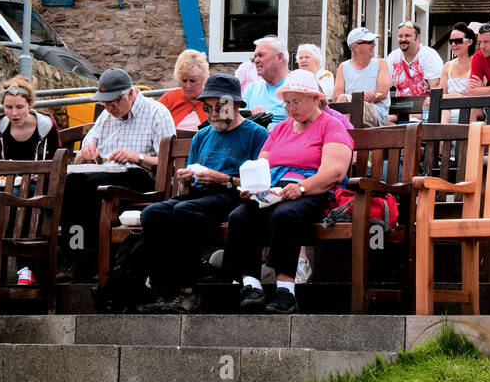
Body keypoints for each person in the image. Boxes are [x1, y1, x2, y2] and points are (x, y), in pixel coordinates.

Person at [223, 69, 354, 314]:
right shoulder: (281, 129)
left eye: (297, 102)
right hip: (276, 191)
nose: (291, 108)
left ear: (316, 99)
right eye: (287, 103)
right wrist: (251, 189)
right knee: (239, 215)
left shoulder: (331, 126)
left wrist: (302, 187)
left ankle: (286, 290)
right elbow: (262, 164)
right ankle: (251, 285)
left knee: (285, 215)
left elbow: (334, 173)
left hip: (315, 191)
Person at [137, 74, 269, 314]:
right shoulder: (202, 135)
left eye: (219, 107)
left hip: (233, 196)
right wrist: (185, 180)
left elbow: (259, 187)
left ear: (236, 104)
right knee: (153, 213)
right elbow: (187, 189)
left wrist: (225, 180)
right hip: (199, 196)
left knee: (184, 210)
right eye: (208, 108)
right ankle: (163, 289)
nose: (212, 114)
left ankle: (188, 289)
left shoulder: (256, 134)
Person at [62, 67, 175, 280]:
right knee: (72, 183)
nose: (109, 108)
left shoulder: (156, 112)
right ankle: (75, 254)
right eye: (105, 103)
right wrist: (87, 153)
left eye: (114, 101)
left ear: (130, 93)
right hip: (108, 175)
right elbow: (83, 153)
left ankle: (94, 257)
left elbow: (169, 163)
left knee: (94, 185)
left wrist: (137, 157)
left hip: (144, 178)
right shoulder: (106, 116)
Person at [0, 75, 63, 287]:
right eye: (8, 107)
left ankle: (25, 267)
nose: (14, 113)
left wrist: (41, 172)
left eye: (19, 107)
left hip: (37, 186)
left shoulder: (46, 126)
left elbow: (57, 159)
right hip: (5, 183)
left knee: (16, 201)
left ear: (30, 105)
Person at [385, 21, 442, 122]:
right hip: (400, 108)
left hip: (424, 109)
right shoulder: (393, 57)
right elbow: (384, 86)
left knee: (412, 120)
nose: (403, 39)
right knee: (381, 120)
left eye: (407, 36)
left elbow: (436, 87)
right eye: (400, 36)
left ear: (418, 37)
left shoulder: (428, 55)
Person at [333, 26, 390, 127]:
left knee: (343, 102)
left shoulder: (381, 64)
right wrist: (360, 98)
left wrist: (368, 97)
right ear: (356, 46)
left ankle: (346, 137)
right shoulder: (343, 67)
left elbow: (383, 93)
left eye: (373, 41)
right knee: (341, 102)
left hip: (375, 113)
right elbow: (336, 98)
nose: (374, 44)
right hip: (350, 109)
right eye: (369, 42)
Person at [435, 22, 476, 124]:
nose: (453, 45)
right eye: (451, 41)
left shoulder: (477, 65)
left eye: (458, 41)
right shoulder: (447, 67)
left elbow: (478, 94)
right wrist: (457, 96)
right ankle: (441, 140)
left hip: (470, 112)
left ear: (470, 42)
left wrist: (459, 97)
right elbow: (442, 95)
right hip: (448, 111)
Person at [243, 36, 291, 124]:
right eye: (255, 56)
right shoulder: (252, 89)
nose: (256, 60)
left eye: (261, 55)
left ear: (280, 57)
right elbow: (238, 123)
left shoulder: (296, 86)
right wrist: (251, 117)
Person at [159, 50, 210, 131]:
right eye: (184, 81)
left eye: (193, 80)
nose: (188, 86)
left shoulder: (212, 101)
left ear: (203, 79)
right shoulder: (169, 99)